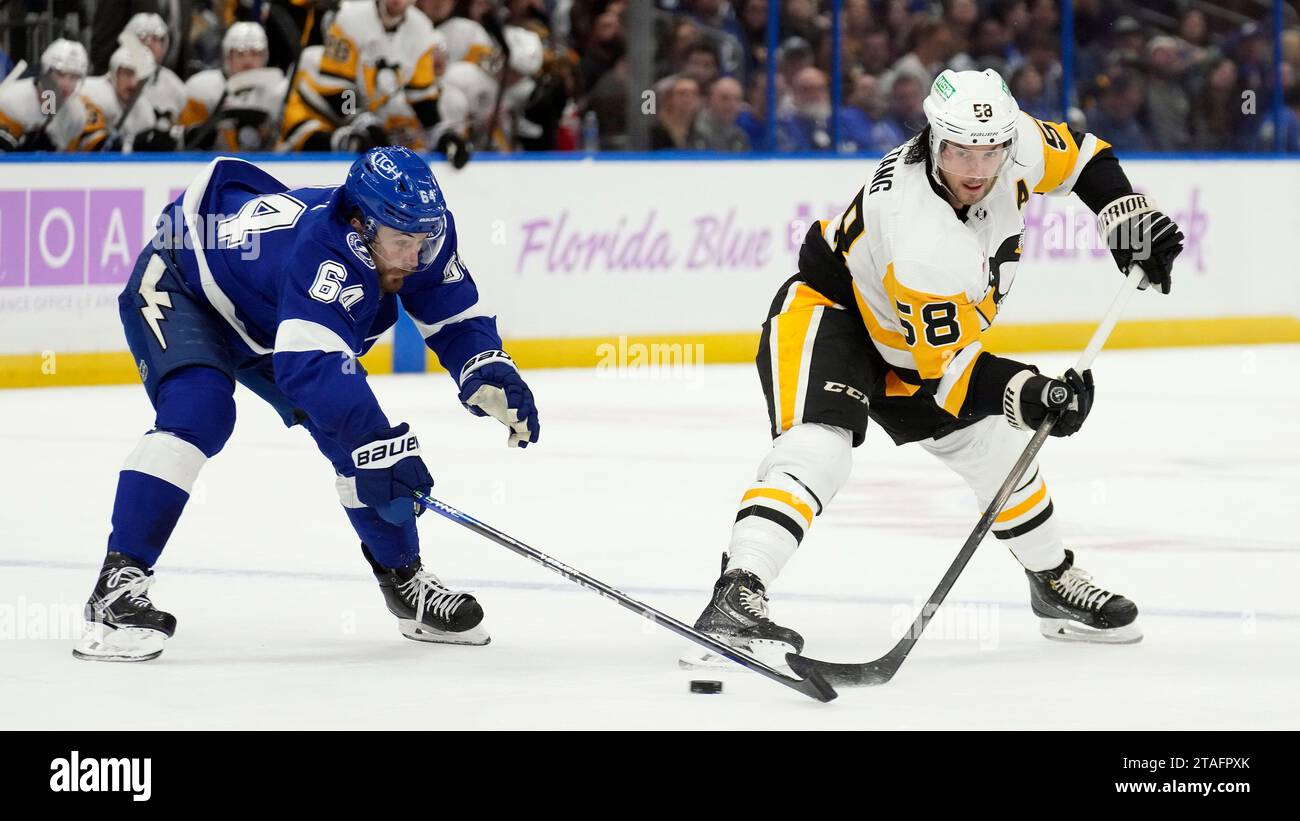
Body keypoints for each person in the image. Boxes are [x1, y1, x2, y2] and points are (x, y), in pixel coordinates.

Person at [684, 69, 1185, 664]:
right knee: (819, 449)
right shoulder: (921, 236)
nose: (976, 169)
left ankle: (1052, 582)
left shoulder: (1015, 142)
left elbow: (1085, 158)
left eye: (989, 152)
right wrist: (1032, 392)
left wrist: (1123, 218)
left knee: (1001, 452)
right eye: (960, 152)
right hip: (836, 315)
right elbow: (944, 373)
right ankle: (737, 593)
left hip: (915, 343)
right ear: (933, 139)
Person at [75, 146, 540, 662]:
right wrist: (377, 445)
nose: (415, 258)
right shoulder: (326, 253)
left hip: (272, 315)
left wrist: (485, 365)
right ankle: (116, 588)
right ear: (361, 226)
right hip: (183, 281)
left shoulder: (416, 233)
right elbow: (311, 367)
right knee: (200, 411)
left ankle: (404, 584)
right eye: (402, 243)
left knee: (355, 445)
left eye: (424, 241)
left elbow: (452, 314)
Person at [178, 22, 287, 152]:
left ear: (265, 57)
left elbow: (289, 144)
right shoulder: (203, 87)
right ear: (228, 57)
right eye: (240, 54)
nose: (248, 61)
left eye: (255, 54)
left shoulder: (279, 90)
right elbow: (187, 142)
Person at [0, 39, 106, 152]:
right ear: (45, 72)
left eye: (74, 77)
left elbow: (72, 160)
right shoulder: (8, 100)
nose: (66, 84)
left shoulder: (77, 113)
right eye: (60, 74)